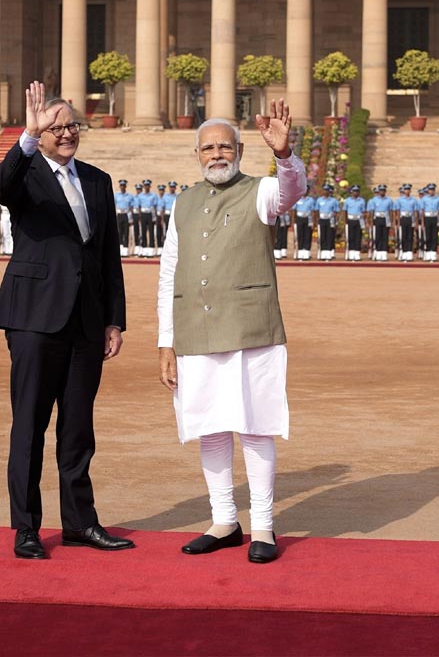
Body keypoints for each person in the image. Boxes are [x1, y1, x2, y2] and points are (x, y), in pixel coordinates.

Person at [157, 99, 305, 565]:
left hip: (249, 328)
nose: (217, 154)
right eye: (208, 148)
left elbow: (291, 192)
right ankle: (224, 520)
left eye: (225, 146)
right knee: (210, 427)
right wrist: (166, 340)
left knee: (255, 426)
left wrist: (283, 155)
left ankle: (263, 524)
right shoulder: (183, 201)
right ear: (197, 155)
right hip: (195, 330)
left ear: (240, 150)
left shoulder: (261, 190)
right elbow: (169, 271)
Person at [0, 81, 131, 560]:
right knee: (29, 423)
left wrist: (114, 319)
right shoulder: (25, 175)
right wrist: (25, 137)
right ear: (42, 134)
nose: (67, 134)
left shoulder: (97, 179)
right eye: (57, 128)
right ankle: (26, 527)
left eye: (72, 125)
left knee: (78, 427)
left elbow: (108, 253)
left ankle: (80, 523)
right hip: (33, 317)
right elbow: (0, 186)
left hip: (86, 322)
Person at [312, 184, 339, 260]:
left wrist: (335, 222)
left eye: (327, 190)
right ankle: (323, 252)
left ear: (329, 192)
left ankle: (329, 252)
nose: (325, 192)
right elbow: (316, 211)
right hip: (322, 219)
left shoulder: (333, 201)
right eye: (324, 190)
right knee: (322, 236)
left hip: (330, 220)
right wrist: (317, 220)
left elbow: (336, 212)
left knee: (330, 236)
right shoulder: (319, 200)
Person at [367, 184, 393, 261]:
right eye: (381, 190)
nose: (382, 192)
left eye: (383, 190)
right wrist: (371, 222)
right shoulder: (374, 200)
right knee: (378, 236)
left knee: (385, 236)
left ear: (385, 191)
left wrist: (391, 221)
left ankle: (384, 253)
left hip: (385, 218)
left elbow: (391, 211)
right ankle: (378, 253)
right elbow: (371, 212)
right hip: (377, 218)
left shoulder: (389, 200)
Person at [419, 183, 439, 262]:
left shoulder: (438, 199)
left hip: (434, 218)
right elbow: (422, 211)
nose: (431, 191)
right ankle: (427, 253)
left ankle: (433, 253)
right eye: (430, 190)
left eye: (433, 190)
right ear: (428, 190)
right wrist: (422, 222)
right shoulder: (424, 199)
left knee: (434, 236)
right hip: (427, 218)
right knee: (428, 236)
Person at [291, 185, 316, 260]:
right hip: (299, 219)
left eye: (306, 190)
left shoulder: (311, 200)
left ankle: (306, 252)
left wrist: (313, 222)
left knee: (307, 235)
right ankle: (300, 251)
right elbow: (293, 211)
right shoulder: (297, 199)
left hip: (308, 219)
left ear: (308, 191)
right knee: (300, 235)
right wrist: (293, 222)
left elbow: (313, 212)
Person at [342, 185, 366, 261]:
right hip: (350, 220)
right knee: (351, 237)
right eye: (354, 191)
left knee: (358, 237)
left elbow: (364, 212)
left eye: (357, 191)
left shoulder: (362, 201)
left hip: (358, 220)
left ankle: (357, 253)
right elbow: (345, 211)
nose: (356, 193)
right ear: (351, 192)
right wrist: (345, 221)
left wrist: (364, 220)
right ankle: (351, 253)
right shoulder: (348, 200)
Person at [395, 183, 417, 262]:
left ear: (410, 190)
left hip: (410, 218)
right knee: (404, 236)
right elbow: (397, 211)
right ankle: (404, 253)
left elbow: (415, 212)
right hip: (403, 218)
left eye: (408, 189)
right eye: (406, 189)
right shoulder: (399, 200)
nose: (407, 191)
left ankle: (409, 254)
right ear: (404, 190)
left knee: (410, 236)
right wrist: (398, 222)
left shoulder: (413, 200)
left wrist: (415, 222)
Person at [113, 179, 133, 257]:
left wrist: (131, 218)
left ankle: (126, 249)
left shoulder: (129, 196)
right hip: (119, 214)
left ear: (125, 186)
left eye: (123, 186)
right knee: (119, 232)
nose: (122, 187)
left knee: (126, 232)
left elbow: (131, 207)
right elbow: (114, 206)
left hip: (126, 214)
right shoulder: (116, 195)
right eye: (121, 186)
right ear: (119, 186)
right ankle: (120, 249)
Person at [138, 179, 158, 257]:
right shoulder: (140, 196)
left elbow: (155, 207)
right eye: (145, 185)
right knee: (143, 231)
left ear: (150, 186)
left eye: (148, 185)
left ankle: (151, 249)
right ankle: (144, 249)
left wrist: (155, 217)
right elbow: (139, 207)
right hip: (143, 214)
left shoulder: (153, 195)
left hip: (150, 214)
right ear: (143, 186)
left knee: (151, 231)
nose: (146, 187)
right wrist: (139, 216)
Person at [130, 183, 145, 256]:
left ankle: (141, 247)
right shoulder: (133, 197)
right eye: (137, 189)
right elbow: (131, 207)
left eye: (139, 189)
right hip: (135, 214)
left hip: (142, 215)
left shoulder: (143, 197)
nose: (138, 191)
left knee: (142, 231)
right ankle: (136, 247)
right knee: (135, 231)